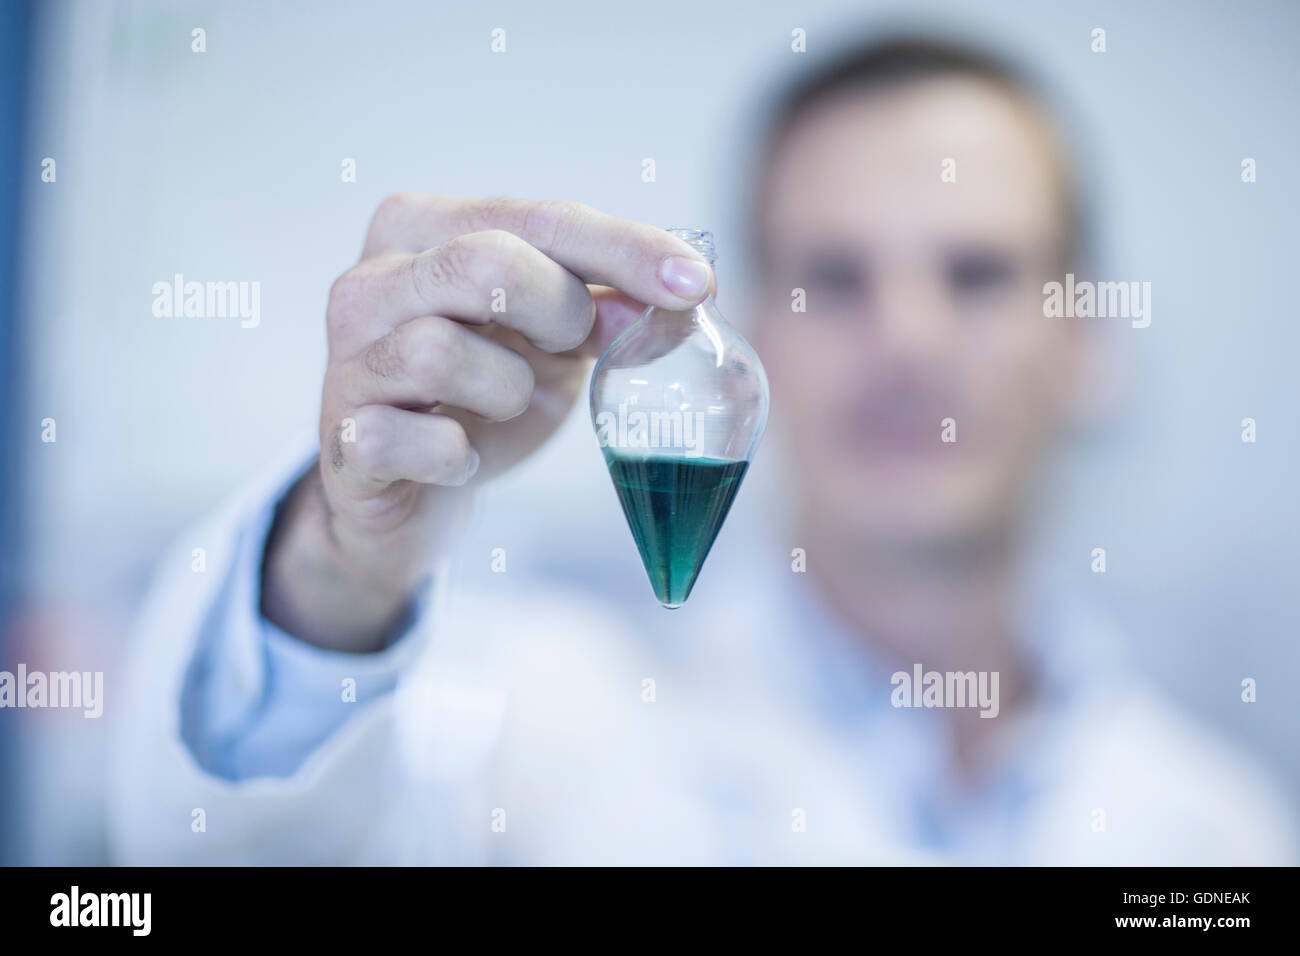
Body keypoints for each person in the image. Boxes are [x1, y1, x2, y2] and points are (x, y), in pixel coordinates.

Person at [108, 37, 1294, 865]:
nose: (908, 339)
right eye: (835, 276)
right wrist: (342, 568)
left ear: (1088, 338)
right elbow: (230, 856)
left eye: (977, 273)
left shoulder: (1220, 837)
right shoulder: (535, 717)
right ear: (755, 329)